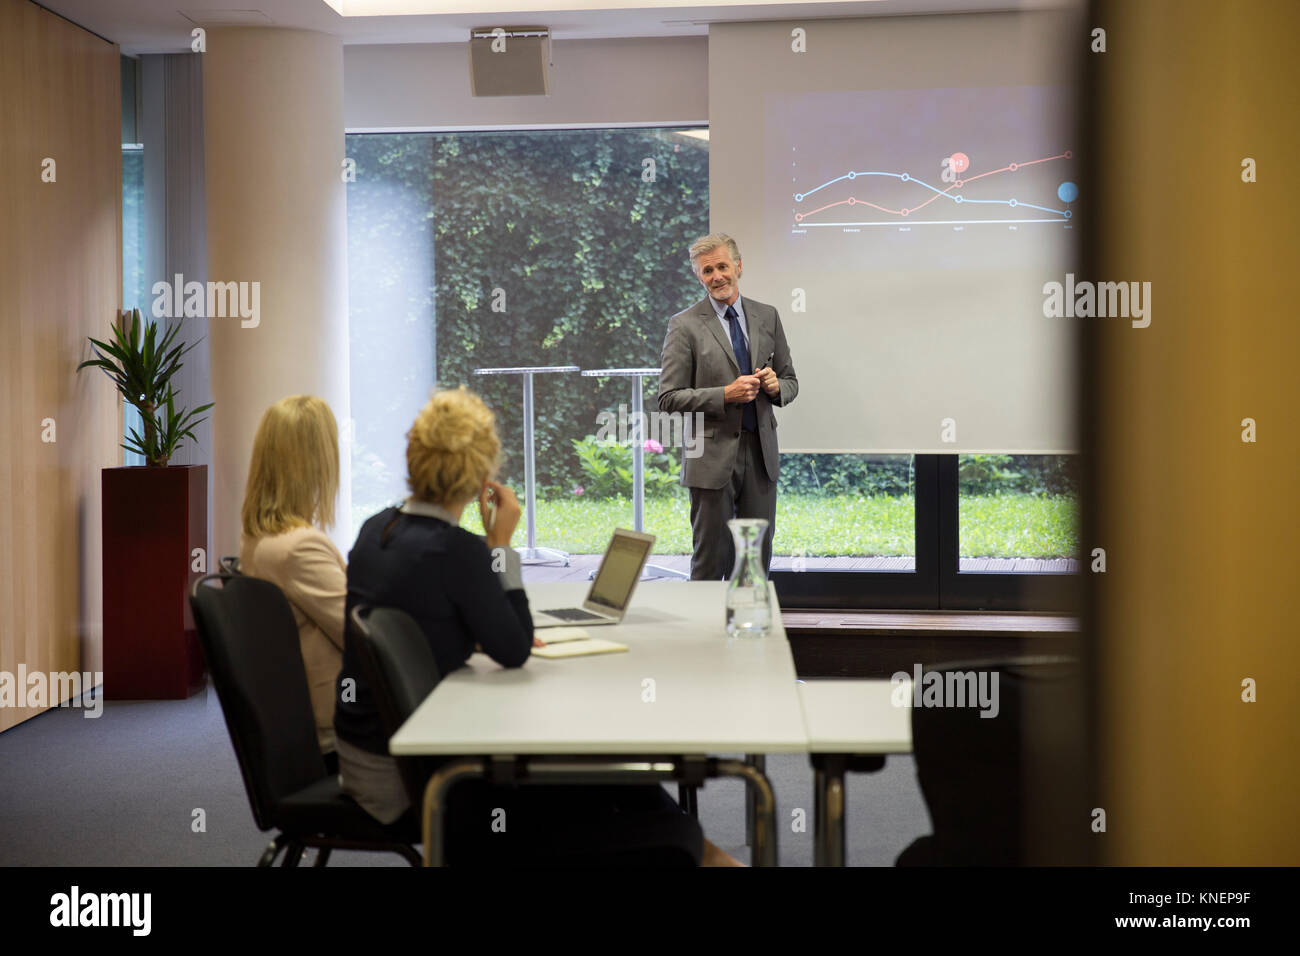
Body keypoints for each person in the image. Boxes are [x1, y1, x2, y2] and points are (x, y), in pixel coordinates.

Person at [335, 387, 741, 866]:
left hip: (366, 754)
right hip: (426, 781)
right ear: (481, 472)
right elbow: (513, 647)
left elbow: (434, 614)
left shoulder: (377, 529)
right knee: (617, 778)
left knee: (624, 779)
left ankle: (700, 852)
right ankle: (697, 850)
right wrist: (500, 545)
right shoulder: (456, 552)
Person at [657, 232, 799, 579]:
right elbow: (668, 398)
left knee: (754, 564)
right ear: (699, 276)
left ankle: (750, 616)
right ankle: (705, 619)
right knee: (710, 563)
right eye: (707, 271)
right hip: (710, 459)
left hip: (761, 458)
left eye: (722, 267)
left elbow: (790, 381)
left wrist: (775, 387)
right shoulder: (684, 325)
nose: (717, 276)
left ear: (738, 266)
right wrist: (724, 394)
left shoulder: (767, 316)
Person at [238, 395, 345, 771]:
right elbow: (367, 636)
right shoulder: (299, 548)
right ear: (316, 462)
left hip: (299, 728)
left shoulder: (257, 541)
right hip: (340, 735)